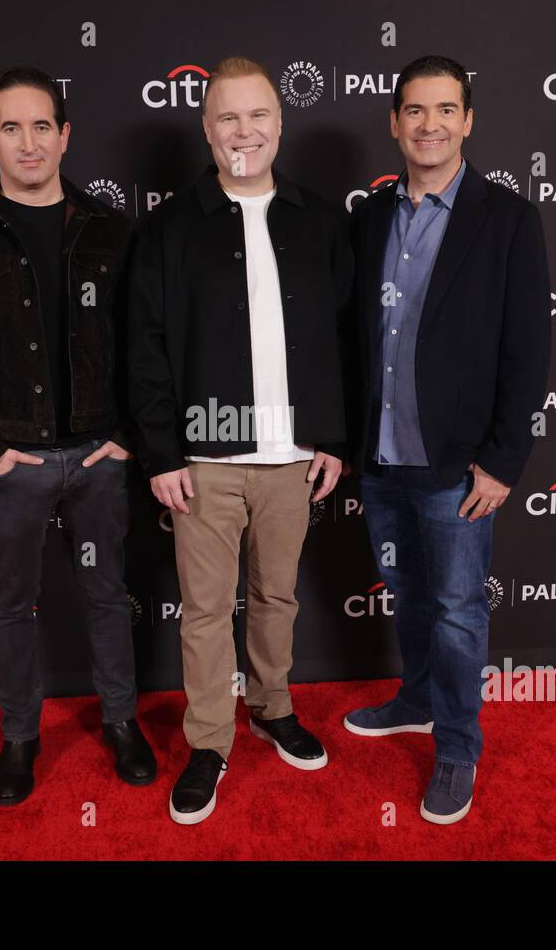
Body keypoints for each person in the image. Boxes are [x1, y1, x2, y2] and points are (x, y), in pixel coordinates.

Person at [0, 65, 155, 806]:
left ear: (65, 135)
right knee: (10, 606)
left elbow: (141, 340)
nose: (28, 142)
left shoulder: (112, 230)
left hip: (98, 455)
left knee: (109, 598)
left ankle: (121, 722)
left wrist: (126, 435)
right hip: (8, 460)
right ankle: (20, 736)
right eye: (11, 127)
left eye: (41, 126)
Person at [127, 56, 354, 825]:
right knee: (202, 609)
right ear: (206, 128)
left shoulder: (319, 219)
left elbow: (340, 339)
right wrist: (161, 455)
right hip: (204, 460)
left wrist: (331, 437)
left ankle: (274, 708)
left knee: (277, 597)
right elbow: (146, 346)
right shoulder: (168, 226)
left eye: (257, 116)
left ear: (279, 124)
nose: (243, 132)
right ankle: (207, 744)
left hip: (292, 458)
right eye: (227, 117)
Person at [342, 55, 551, 824]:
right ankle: (419, 700)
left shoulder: (507, 219)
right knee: (409, 596)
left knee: (460, 611)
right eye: (415, 111)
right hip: (381, 457)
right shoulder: (368, 216)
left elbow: (528, 351)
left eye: (446, 110)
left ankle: (458, 747)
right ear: (394, 122)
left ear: (468, 120)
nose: (430, 125)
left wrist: (503, 461)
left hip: (459, 466)